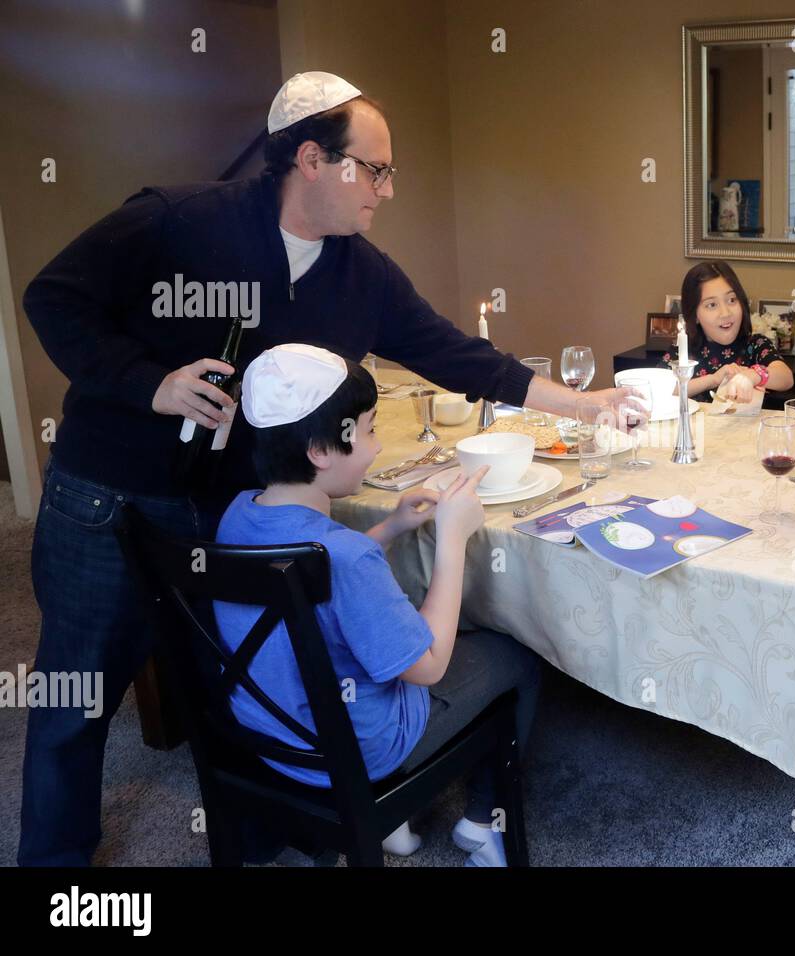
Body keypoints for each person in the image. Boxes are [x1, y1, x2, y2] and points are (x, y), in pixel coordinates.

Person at [19, 70, 634, 866]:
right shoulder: (177, 223)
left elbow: (458, 354)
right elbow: (52, 297)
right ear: (312, 160)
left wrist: (587, 405)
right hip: (109, 492)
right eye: (374, 169)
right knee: (76, 699)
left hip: (228, 506)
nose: (386, 188)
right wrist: (152, 384)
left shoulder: (360, 272)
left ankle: (283, 823)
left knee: (236, 679)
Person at [212, 344, 539, 866]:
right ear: (319, 450)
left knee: (398, 612)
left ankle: (398, 827)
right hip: (361, 751)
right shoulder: (350, 555)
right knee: (516, 650)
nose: (375, 446)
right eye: (366, 431)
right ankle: (482, 823)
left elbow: (313, 573)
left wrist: (391, 527)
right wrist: (452, 540)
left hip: (265, 734)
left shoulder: (236, 514)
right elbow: (429, 668)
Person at [658, 261, 794, 400]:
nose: (725, 313)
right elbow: (658, 390)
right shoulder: (682, 351)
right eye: (712, 305)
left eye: (732, 300)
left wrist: (753, 375)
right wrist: (713, 380)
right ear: (694, 315)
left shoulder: (755, 345)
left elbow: (786, 378)